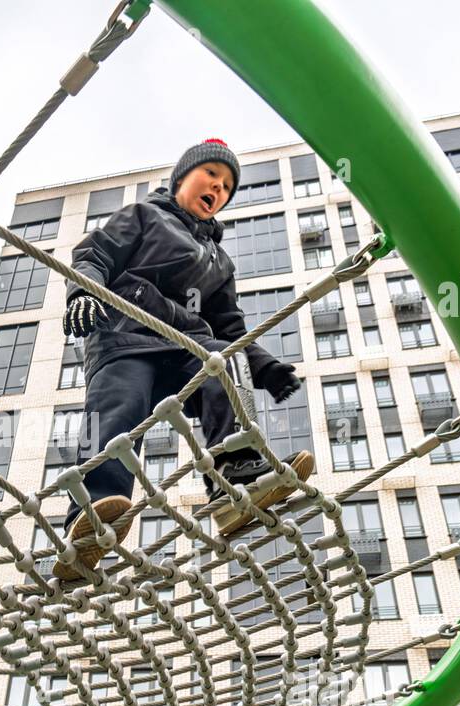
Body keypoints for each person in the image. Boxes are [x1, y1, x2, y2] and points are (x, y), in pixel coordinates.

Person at [52, 138, 312, 582]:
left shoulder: (219, 260)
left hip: (185, 346)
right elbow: (93, 254)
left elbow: (229, 327)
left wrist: (265, 366)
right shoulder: (143, 216)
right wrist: (82, 291)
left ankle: (236, 480)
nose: (219, 188)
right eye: (211, 175)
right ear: (181, 179)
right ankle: (92, 516)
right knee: (119, 410)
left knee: (222, 361)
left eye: (227, 186)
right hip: (126, 337)